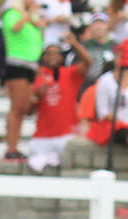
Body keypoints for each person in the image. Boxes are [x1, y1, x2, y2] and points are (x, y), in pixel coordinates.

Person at [27, 33, 90, 171]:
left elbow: (88, 62)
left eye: (56, 54)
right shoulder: (37, 76)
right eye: (48, 53)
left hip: (66, 135)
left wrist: (74, 44)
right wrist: (36, 95)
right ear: (43, 57)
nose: (52, 57)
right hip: (42, 137)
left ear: (61, 57)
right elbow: (28, 110)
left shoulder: (69, 73)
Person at [2, 0, 45, 161]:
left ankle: (15, 145)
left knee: (24, 107)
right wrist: (27, 14)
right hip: (17, 63)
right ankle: (11, 147)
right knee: (16, 107)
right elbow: (14, 28)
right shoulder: (12, 13)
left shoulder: (31, 17)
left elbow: (40, 32)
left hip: (31, 65)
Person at [80, 12, 116, 93]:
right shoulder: (84, 46)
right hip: (88, 85)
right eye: (95, 23)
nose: (98, 27)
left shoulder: (115, 46)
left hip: (109, 87)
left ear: (107, 26)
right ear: (90, 27)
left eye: (102, 23)